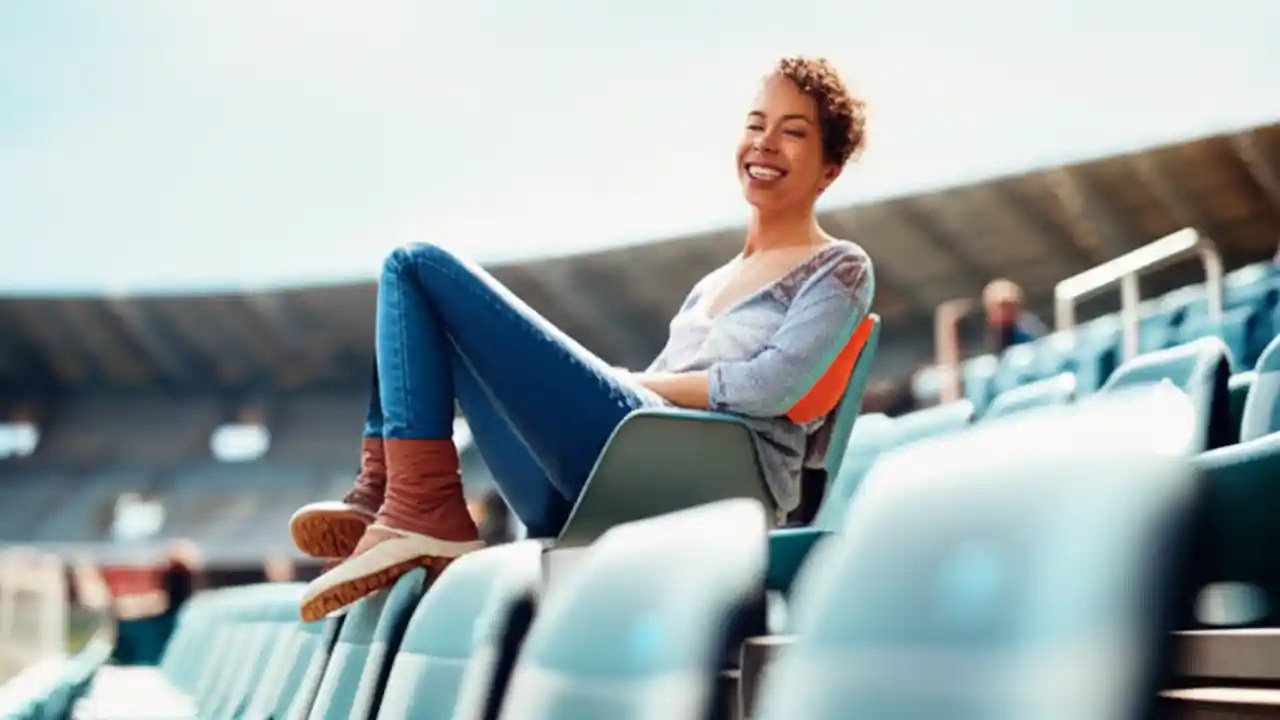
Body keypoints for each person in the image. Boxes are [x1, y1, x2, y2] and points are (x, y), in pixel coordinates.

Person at [289, 55, 875, 621]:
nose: (765, 142)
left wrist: (626, 382)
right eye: (756, 124)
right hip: (623, 467)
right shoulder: (711, 284)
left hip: (712, 477)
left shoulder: (838, 267)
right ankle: (388, 491)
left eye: (793, 132)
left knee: (415, 265)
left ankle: (418, 506)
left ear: (829, 169)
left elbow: (771, 387)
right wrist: (632, 386)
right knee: (416, 304)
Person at [983, 278, 1046, 353]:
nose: (1005, 312)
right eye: (1002, 307)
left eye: (1011, 307)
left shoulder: (1031, 334)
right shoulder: (981, 336)